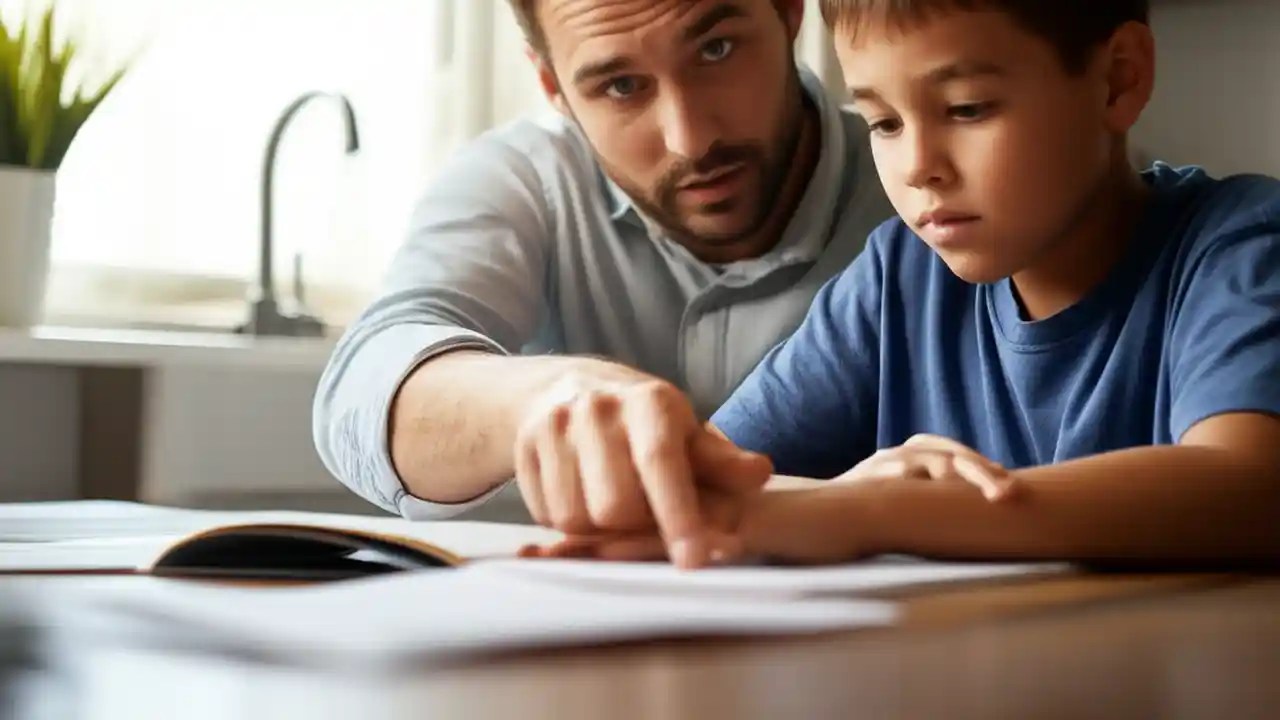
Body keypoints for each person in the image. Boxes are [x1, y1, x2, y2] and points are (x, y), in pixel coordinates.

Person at [531, 0, 1280, 566]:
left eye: (966, 109)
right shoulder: (898, 279)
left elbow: (1249, 488)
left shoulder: (1239, 244)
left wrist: (886, 512)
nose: (918, 164)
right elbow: (709, 485)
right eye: (883, 122)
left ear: (1118, 80)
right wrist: (851, 493)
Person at [312, 0, 896, 568]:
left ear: (790, 11)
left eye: (716, 50)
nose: (689, 139)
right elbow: (363, 390)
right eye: (620, 86)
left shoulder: (931, 189)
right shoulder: (527, 182)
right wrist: (548, 396)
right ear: (552, 86)